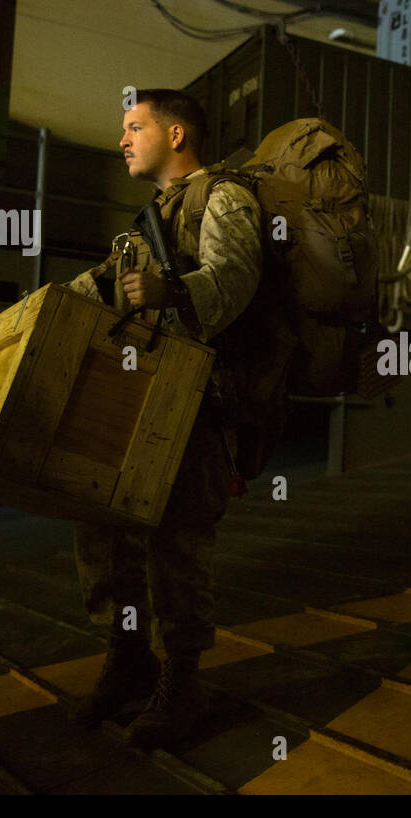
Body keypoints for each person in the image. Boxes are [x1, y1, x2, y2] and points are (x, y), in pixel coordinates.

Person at [62, 89, 264, 748]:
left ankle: (181, 683)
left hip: (201, 404)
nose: (122, 139)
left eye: (133, 126)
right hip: (145, 398)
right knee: (103, 522)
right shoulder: (152, 215)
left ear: (176, 135)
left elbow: (234, 282)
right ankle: (126, 660)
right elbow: (101, 284)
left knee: (175, 543)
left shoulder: (223, 200)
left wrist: (171, 292)